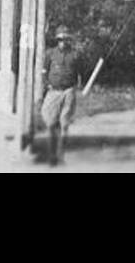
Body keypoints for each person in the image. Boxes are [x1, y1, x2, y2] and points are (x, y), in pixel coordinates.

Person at [41, 27, 82, 165]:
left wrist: (75, 87)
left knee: (64, 125)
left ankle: (60, 154)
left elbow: (78, 73)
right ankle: (52, 154)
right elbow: (44, 72)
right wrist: (47, 85)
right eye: (60, 40)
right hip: (54, 91)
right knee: (51, 123)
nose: (63, 42)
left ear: (69, 41)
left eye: (65, 40)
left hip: (68, 91)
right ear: (57, 40)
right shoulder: (50, 54)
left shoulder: (74, 55)